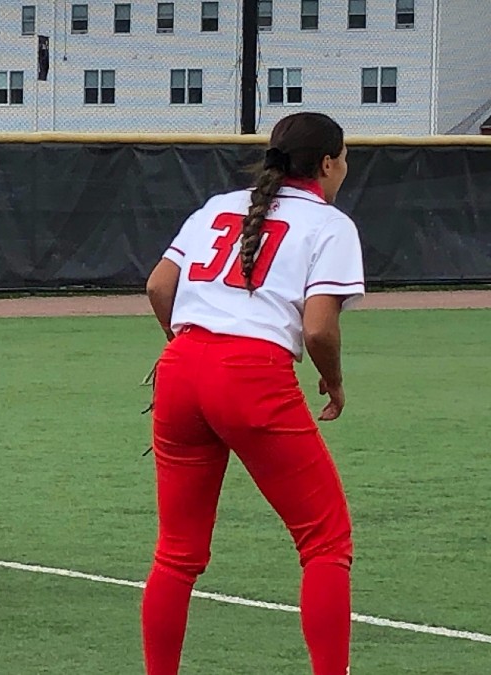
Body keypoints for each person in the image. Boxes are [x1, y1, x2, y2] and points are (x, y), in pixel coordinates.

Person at [140, 111, 362, 675]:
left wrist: (187, 347)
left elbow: (158, 285)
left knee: (177, 553)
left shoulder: (217, 206)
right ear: (329, 163)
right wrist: (333, 382)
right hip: (253, 373)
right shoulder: (330, 224)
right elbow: (317, 327)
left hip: (181, 366)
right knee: (325, 541)